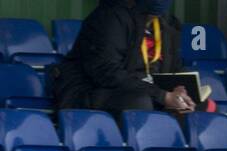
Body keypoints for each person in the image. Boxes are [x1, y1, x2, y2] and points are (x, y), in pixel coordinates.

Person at [52, 0, 197, 116]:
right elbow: (106, 72)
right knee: (139, 104)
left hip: (147, 92)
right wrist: (162, 96)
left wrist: (181, 91)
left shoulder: (168, 23)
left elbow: (175, 67)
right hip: (92, 93)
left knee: (199, 106)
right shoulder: (111, 16)